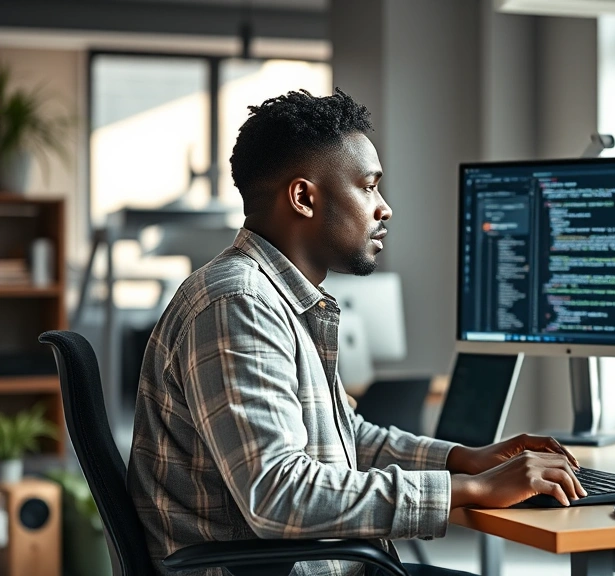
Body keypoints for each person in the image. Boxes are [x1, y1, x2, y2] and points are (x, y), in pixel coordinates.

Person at [127, 89, 587, 576]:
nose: (384, 208)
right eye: (368, 187)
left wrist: (463, 460)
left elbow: (347, 439)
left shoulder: (281, 300)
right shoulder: (238, 304)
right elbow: (277, 493)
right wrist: (471, 491)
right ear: (304, 197)